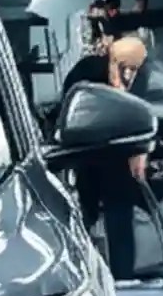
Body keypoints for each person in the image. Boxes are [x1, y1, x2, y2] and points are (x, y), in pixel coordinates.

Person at [61, 37, 150, 279]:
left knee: (116, 217)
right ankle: (90, 276)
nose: (131, 73)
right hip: (90, 156)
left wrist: (139, 150)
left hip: (114, 159)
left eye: (135, 68)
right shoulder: (88, 70)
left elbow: (141, 111)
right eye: (128, 67)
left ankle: (119, 277)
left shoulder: (138, 77)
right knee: (90, 217)